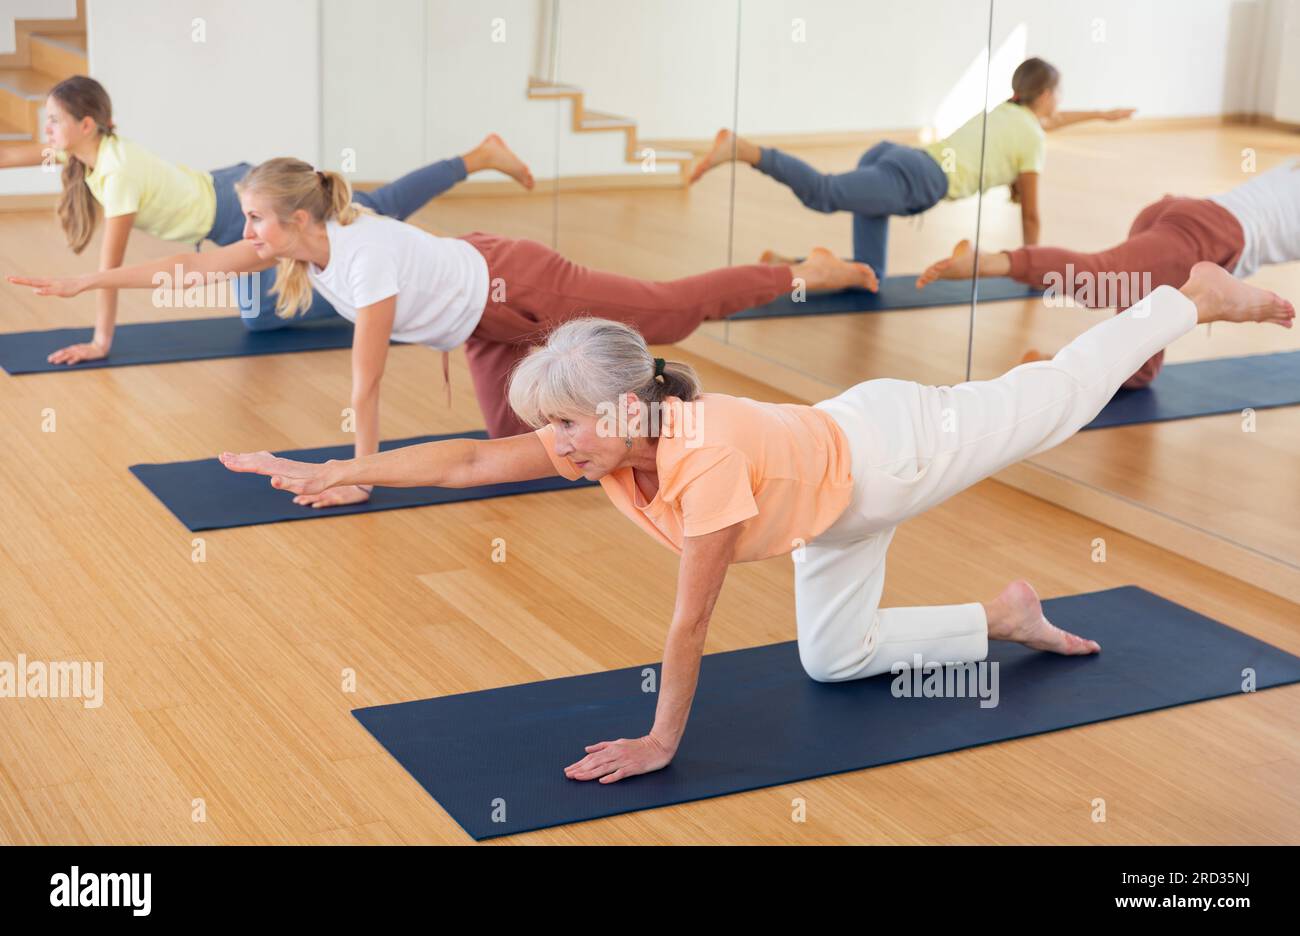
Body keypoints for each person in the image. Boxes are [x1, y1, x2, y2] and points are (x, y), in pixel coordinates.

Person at [218, 262, 1293, 783]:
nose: (558, 447)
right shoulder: (611, 433)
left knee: (1058, 398)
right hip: (826, 504)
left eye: (567, 430)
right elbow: (463, 460)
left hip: (893, 452)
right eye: (554, 431)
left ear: (622, 411)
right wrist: (340, 470)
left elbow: (690, 627)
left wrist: (659, 741)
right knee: (833, 662)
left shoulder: (703, 460)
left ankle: (1190, 297)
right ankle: (1002, 617)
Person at [11, 157, 877, 507]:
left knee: (676, 305)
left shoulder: (364, 261)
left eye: (256, 221)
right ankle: (647, 402)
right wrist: (88, 277)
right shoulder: (310, 249)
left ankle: (808, 273)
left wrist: (357, 474)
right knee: (518, 443)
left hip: (525, 285)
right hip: (484, 318)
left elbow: (365, 383)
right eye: (246, 222)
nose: (248, 234)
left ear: (299, 219)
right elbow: (189, 270)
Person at [0, 75, 534, 364]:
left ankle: (477, 159)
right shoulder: (91, 151)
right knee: (259, 316)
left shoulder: (116, 175)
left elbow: (109, 265)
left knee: (382, 205)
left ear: (85, 125)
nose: (46, 130)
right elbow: (25, 154)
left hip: (239, 212)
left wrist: (101, 341)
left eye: (53, 121)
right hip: (226, 203)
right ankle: (368, 292)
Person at [689, 58, 1134, 276]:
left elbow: (1052, 121)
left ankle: (793, 263)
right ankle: (746, 151)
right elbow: (1032, 213)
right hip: (916, 179)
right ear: (1043, 95)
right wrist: (1032, 265)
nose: (1060, 103)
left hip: (896, 157)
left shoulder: (1007, 112)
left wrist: (1102, 114)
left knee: (869, 273)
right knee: (823, 193)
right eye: (1058, 93)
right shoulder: (1031, 136)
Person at [917, 158, 1300, 388]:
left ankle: (1050, 364)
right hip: (1202, 238)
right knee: (1099, 280)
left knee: (1139, 372)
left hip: (1181, 212)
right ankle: (989, 261)